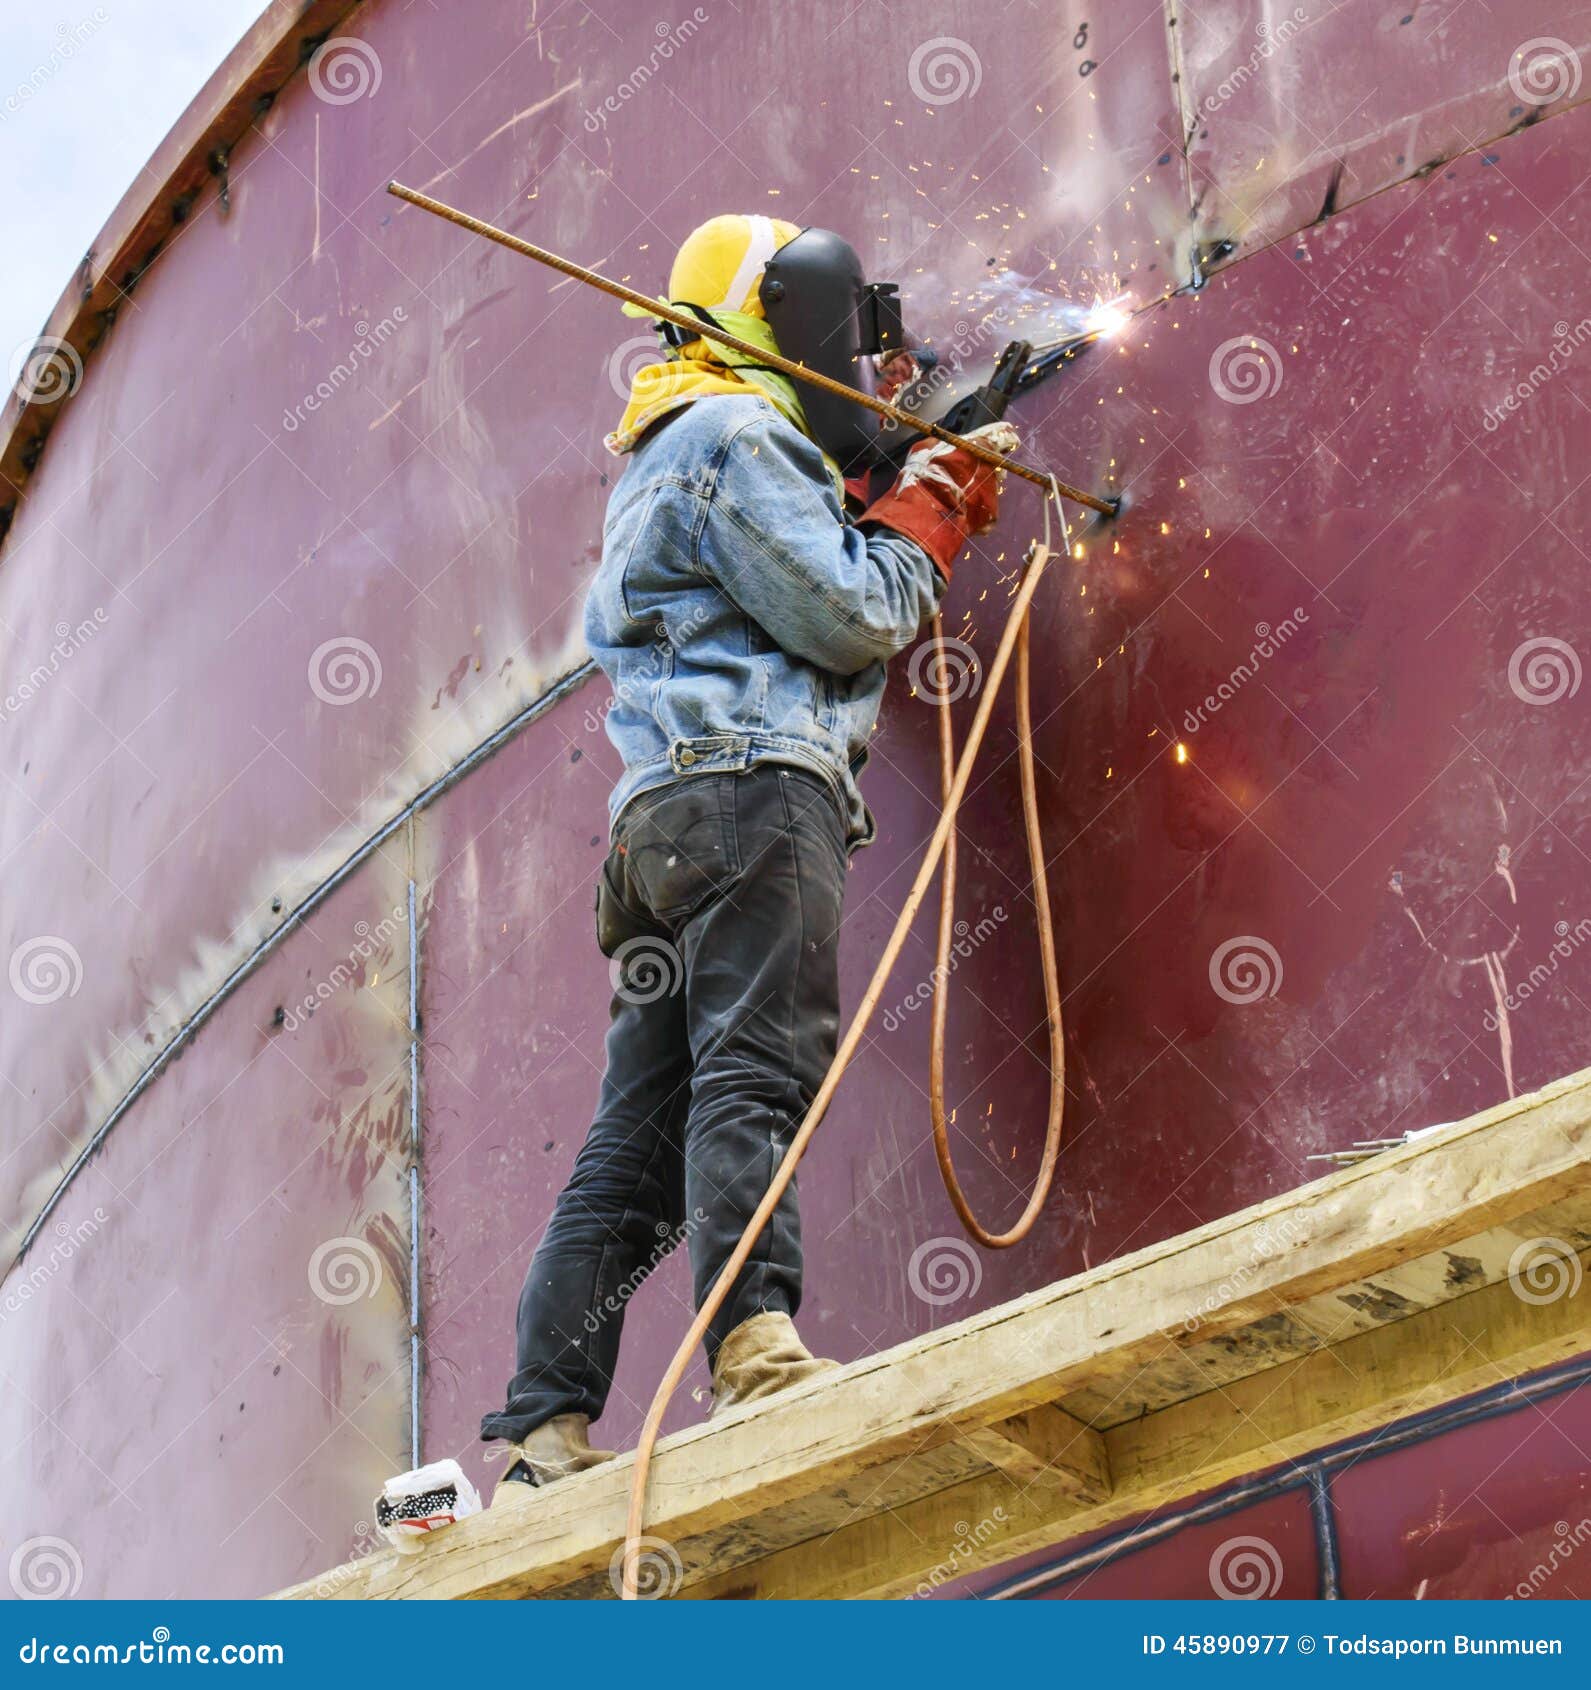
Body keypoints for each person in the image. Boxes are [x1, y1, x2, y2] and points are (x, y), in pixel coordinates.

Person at [481, 213, 1019, 1501]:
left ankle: (543, 1433)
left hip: (658, 830)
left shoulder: (664, 447)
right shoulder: (735, 433)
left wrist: (880, 484)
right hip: (754, 801)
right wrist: (933, 511)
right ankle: (756, 1352)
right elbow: (852, 615)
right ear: (780, 317)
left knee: (636, 1137)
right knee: (756, 1074)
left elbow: (779, 568)